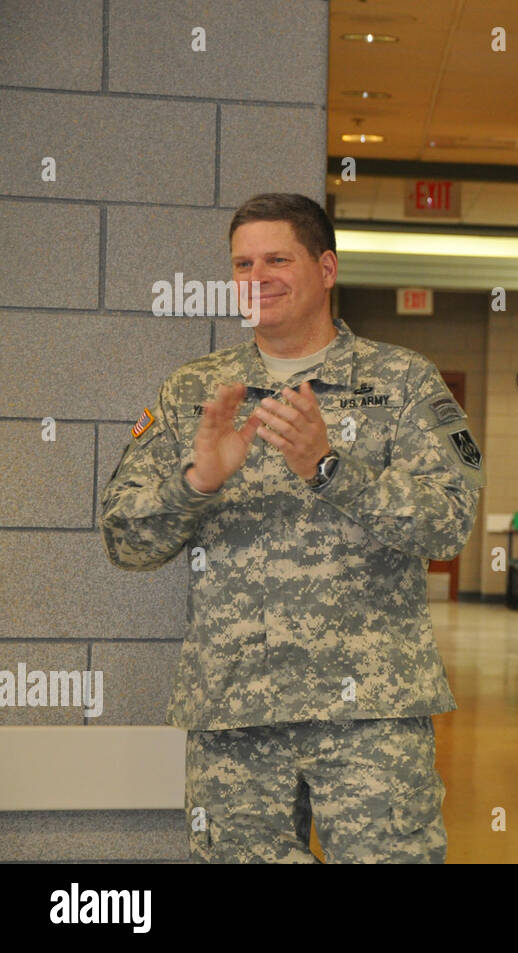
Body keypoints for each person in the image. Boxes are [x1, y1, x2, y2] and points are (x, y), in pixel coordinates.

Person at [100, 193, 484, 863]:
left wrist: (332, 468)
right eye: (242, 263)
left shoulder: (403, 384)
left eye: (278, 258)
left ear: (327, 268)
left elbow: (449, 524)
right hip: (234, 711)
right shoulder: (193, 391)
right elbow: (124, 537)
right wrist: (197, 484)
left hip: (368, 710)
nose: (258, 277)